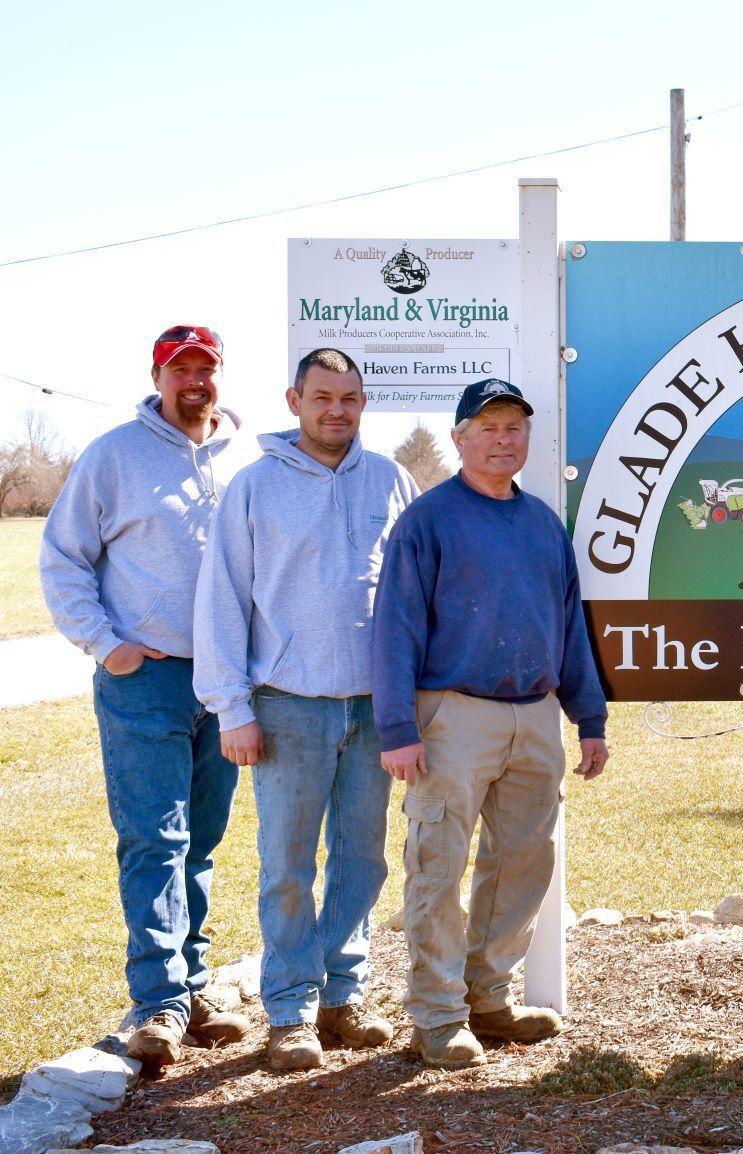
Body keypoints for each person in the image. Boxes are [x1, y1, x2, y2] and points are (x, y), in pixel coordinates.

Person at [371, 378, 610, 1069]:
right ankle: (438, 1016)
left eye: (514, 428)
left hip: (535, 715)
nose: (503, 440)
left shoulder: (541, 523)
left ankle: (489, 997)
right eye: (488, 428)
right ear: (459, 439)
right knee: (438, 869)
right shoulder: (429, 521)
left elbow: (569, 627)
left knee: (524, 862)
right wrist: (397, 728)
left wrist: (586, 717)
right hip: (453, 715)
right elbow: (395, 628)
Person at [194, 349, 418, 1070]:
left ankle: (339, 997)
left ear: (362, 402)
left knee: (364, 860)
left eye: (350, 397)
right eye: (322, 396)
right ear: (294, 400)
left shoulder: (391, 480)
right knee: (287, 864)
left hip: (374, 707)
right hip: (287, 705)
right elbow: (222, 598)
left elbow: (415, 595)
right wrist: (231, 707)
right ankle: (289, 1009)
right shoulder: (255, 487)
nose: (337, 410)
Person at [38, 325, 254, 1066]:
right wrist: (108, 645)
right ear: (158, 375)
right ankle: (157, 1002)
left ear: (221, 376)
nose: (195, 380)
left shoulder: (247, 455)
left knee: (202, 840)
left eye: (206, 368)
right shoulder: (113, 456)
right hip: (146, 679)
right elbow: (64, 557)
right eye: (180, 368)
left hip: (226, 681)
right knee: (153, 838)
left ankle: (192, 988)